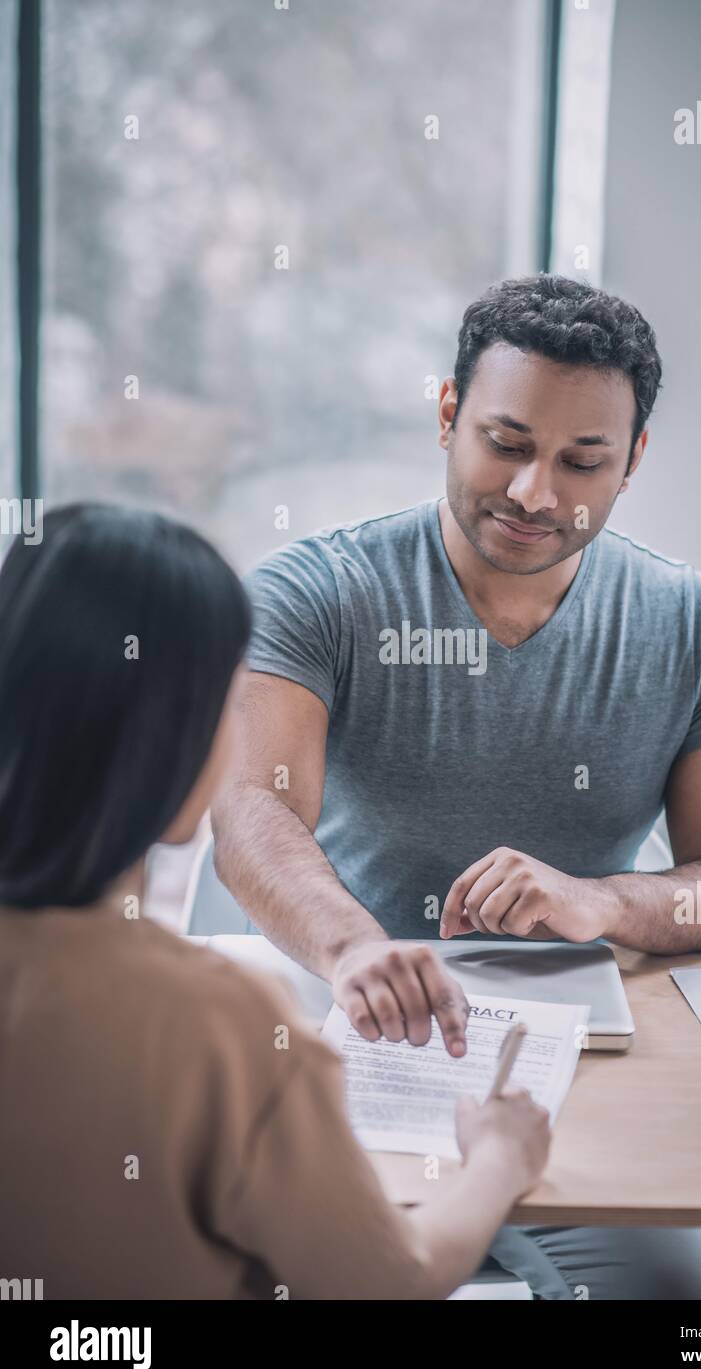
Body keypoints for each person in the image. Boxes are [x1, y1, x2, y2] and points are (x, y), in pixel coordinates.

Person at [212, 274, 701, 1297]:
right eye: (506, 442)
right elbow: (250, 809)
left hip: (577, 1071)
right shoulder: (316, 591)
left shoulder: (690, 622)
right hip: (357, 1048)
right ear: (447, 415)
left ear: (632, 463)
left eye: (581, 461)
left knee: (670, 1299)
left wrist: (602, 899)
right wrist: (358, 949)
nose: (534, 493)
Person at [0, 503, 550, 1300]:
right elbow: (393, 1279)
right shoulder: (220, 1025)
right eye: (230, 701)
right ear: (176, 738)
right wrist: (500, 1159)